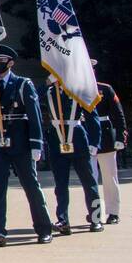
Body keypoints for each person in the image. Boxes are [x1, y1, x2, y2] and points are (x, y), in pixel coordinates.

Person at [0, 45, 53, 246]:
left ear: (11, 63)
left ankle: (44, 228)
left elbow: (34, 115)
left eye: (2, 59)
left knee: (31, 186)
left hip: (20, 142)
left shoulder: (22, 84)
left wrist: (36, 144)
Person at [43, 75, 104, 235]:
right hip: (57, 140)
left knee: (88, 181)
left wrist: (94, 143)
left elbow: (92, 116)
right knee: (60, 184)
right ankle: (63, 220)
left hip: (77, 139)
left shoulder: (78, 91)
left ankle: (96, 218)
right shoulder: (49, 92)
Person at [90, 60, 128, 224]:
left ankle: (113, 212)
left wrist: (121, 136)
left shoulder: (105, 89)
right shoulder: (74, 90)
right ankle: (96, 213)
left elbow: (118, 115)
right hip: (85, 136)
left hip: (105, 136)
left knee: (109, 177)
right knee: (90, 179)